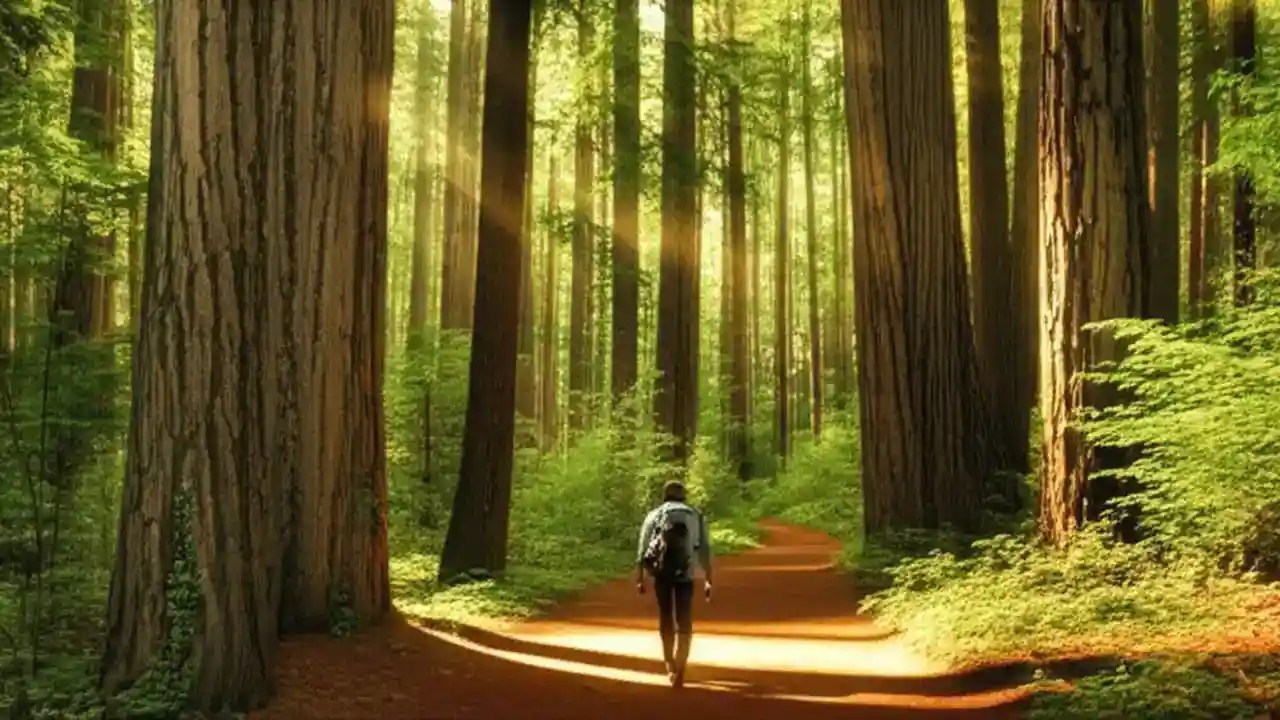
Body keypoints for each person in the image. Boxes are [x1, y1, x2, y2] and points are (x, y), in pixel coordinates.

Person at [635, 481, 713, 688]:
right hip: (686, 573)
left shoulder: (655, 515)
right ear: (684, 496)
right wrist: (708, 577)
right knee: (684, 618)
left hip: (662, 573)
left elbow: (643, 548)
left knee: (665, 615)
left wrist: (639, 577)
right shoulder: (695, 516)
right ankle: (681, 665)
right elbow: (704, 548)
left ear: (664, 496)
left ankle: (669, 661)